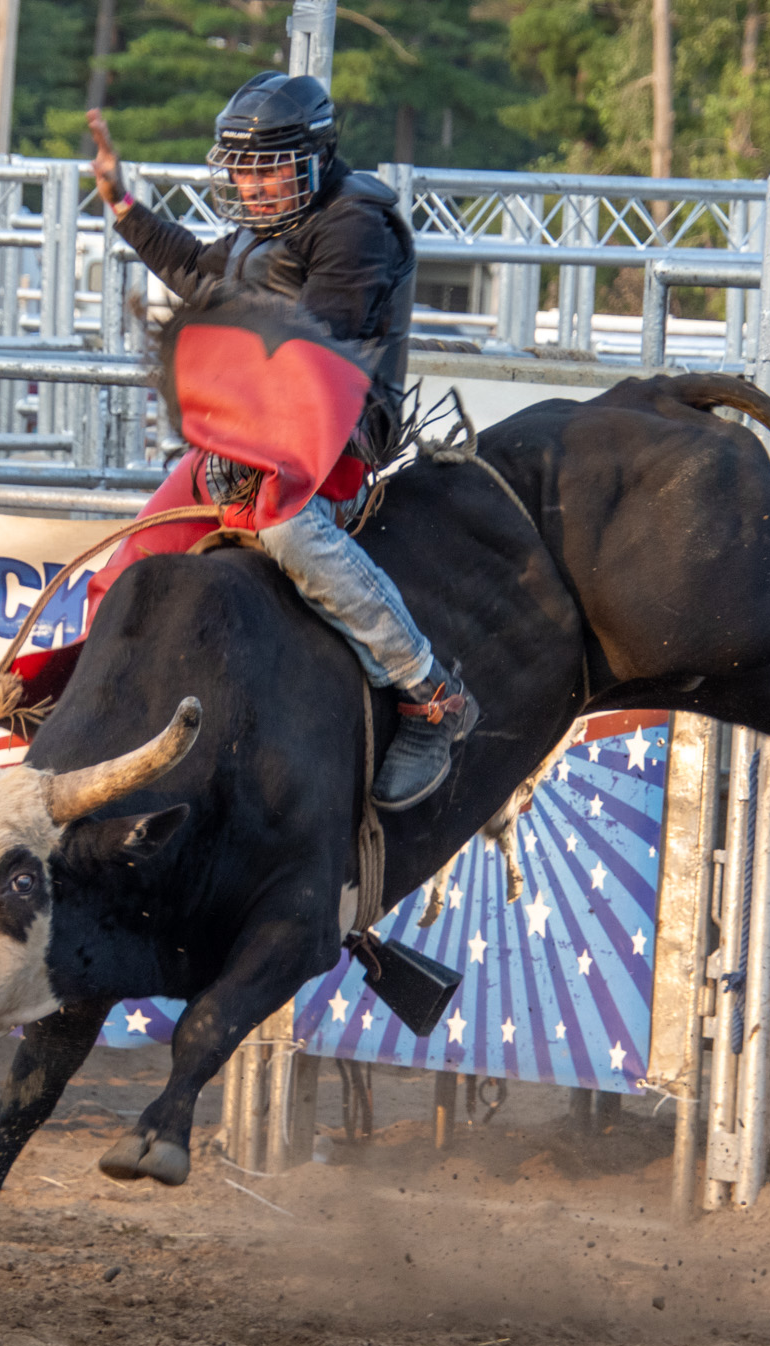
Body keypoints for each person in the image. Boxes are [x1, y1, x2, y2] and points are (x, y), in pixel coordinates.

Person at [80, 74, 478, 811]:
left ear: (316, 158)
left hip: (339, 423)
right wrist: (122, 204)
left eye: (268, 168)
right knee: (132, 559)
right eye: (242, 169)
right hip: (257, 419)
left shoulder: (356, 222)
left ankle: (432, 692)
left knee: (285, 525)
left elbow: (320, 346)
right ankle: (91, 710)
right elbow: (200, 272)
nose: (252, 185)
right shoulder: (265, 231)